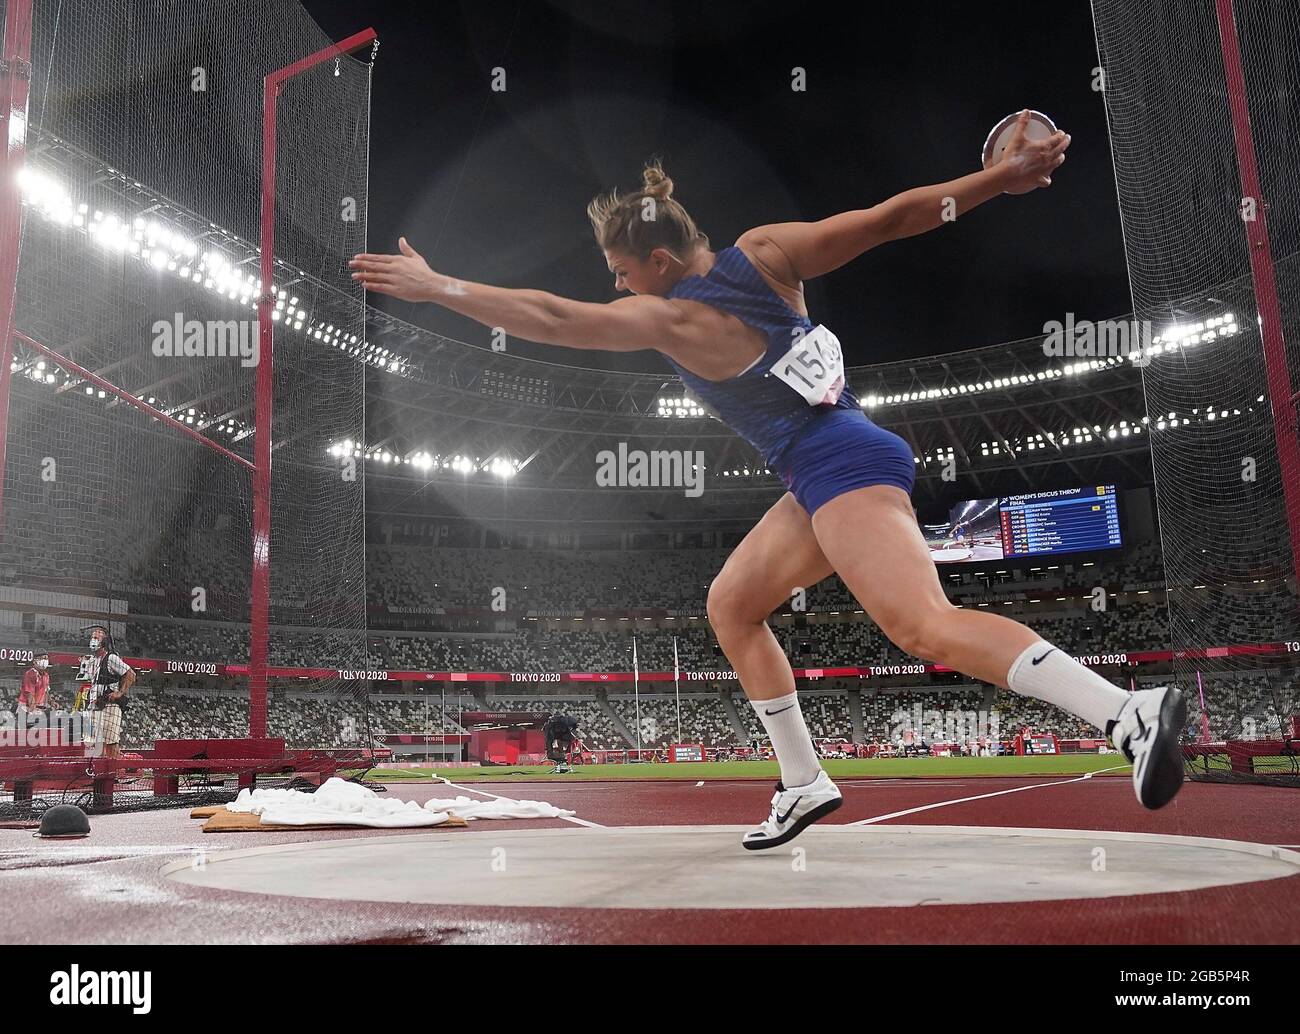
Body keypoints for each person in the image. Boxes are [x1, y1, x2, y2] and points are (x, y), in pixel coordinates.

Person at [350, 111, 1186, 850]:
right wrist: (995, 181)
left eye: (620, 271)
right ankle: (803, 782)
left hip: (842, 466)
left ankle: (1123, 712)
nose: (616, 285)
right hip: (831, 462)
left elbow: (555, 318)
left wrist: (439, 287)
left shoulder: (673, 317)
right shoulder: (768, 252)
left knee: (923, 627)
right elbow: (889, 219)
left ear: (662, 259)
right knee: (732, 605)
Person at [83, 626, 134, 759]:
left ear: (104, 642)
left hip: (110, 706)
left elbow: (130, 674)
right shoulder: (92, 661)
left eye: (96, 637)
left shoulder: (111, 658)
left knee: (111, 741)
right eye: (92, 637)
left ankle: (115, 771)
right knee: (95, 742)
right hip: (95, 705)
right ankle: (101, 771)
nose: (93, 640)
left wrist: (120, 692)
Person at [17, 650, 50, 724]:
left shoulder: (46, 675)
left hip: (38, 708)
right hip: (26, 708)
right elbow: (29, 694)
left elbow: (46, 691)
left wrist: (51, 702)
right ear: (35, 661)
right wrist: (32, 711)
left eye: (46, 658)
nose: (45, 661)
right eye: (43, 658)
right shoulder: (30, 674)